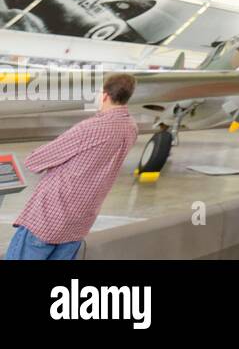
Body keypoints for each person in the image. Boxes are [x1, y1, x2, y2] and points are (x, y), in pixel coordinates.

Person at [5, 73, 139, 260]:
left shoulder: (91, 128)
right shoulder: (131, 127)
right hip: (80, 221)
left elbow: (34, 162)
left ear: (105, 95)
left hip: (49, 217)